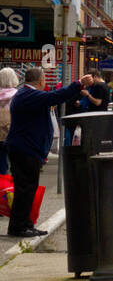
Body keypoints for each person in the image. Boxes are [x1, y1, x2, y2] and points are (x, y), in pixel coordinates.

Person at [6, 68, 89, 238]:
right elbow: (55, 96)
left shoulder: (27, 95)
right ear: (40, 80)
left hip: (27, 149)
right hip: (25, 150)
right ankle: (18, 227)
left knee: (28, 188)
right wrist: (79, 84)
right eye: (44, 78)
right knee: (25, 189)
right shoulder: (28, 95)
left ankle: (25, 224)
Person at [0, 68, 19, 176]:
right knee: (16, 164)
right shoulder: (17, 95)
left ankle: (2, 187)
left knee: (1, 164)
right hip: (13, 132)